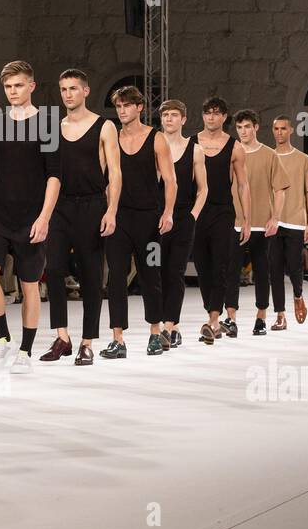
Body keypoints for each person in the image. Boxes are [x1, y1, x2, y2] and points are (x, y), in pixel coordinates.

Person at [0, 61, 60, 373]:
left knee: (28, 285)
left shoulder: (48, 124)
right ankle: (4, 339)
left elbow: (54, 176)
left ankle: (25, 351)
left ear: (31, 86)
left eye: (18, 85)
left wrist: (44, 218)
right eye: (8, 86)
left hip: (31, 217)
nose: (13, 91)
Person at [39, 69, 119, 365]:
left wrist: (111, 210)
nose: (68, 94)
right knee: (55, 270)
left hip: (92, 205)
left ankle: (87, 342)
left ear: (85, 91)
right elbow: (47, 173)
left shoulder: (104, 126)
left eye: (73, 88)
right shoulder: (52, 127)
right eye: (63, 89)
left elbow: (115, 172)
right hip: (60, 206)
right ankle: (63, 337)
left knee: (90, 275)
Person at [103, 85, 174, 355]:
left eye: (127, 106)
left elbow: (170, 180)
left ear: (139, 107)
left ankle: (155, 334)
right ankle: (117, 338)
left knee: (150, 276)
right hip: (119, 218)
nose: (122, 111)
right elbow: (107, 177)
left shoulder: (156, 138)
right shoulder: (112, 139)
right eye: (118, 107)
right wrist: (108, 209)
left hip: (149, 220)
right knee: (116, 278)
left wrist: (167, 212)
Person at [193, 98, 249, 342]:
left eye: (216, 113)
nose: (211, 117)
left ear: (225, 117)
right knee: (203, 267)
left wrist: (246, 219)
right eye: (208, 113)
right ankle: (212, 314)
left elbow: (243, 185)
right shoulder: (191, 143)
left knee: (220, 265)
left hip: (223, 211)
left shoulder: (235, 147)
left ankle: (214, 320)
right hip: (197, 211)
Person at [231, 110, 288, 333]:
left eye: (247, 126)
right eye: (239, 127)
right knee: (231, 272)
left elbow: (280, 189)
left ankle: (261, 316)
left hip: (262, 223)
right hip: (235, 222)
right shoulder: (231, 153)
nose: (243, 131)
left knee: (262, 271)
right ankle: (231, 318)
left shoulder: (269, 155)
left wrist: (275, 218)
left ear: (255, 127)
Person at [159, 100, 207, 345]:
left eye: (174, 115)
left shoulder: (194, 149)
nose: (169, 119)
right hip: (157, 218)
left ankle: (167, 328)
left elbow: (203, 188)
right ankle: (174, 326)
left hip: (183, 219)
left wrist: (192, 216)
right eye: (165, 115)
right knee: (159, 273)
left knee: (175, 272)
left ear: (184, 119)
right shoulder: (155, 147)